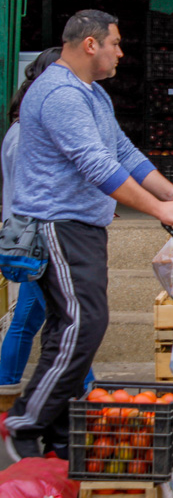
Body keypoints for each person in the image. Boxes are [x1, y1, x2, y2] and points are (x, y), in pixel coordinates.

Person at [1, 10, 173, 461]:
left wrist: (171, 192)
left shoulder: (92, 94)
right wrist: (157, 209)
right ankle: (25, 422)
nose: (121, 52)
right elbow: (96, 164)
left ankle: (53, 433)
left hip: (83, 227)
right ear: (91, 45)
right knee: (83, 323)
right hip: (58, 224)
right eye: (115, 43)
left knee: (69, 327)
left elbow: (123, 153)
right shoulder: (59, 94)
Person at [0, 47, 95, 412]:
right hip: (36, 242)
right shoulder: (25, 134)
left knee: (26, 320)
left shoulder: (24, 129)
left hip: (32, 242)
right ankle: (91, 396)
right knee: (74, 322)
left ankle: (6, 386)